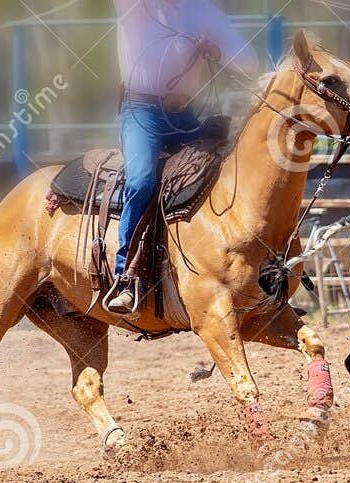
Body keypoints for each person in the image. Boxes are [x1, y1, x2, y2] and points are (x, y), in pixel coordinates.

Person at [107, 0, 259, 315]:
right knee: (141, 179)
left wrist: (216, 51)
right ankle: (126, 277)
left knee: (226, 172)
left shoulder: (202, 9)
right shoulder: (135, 6)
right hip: (141, 111)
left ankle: (238, 270)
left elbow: (249, 61)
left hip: (184, 114)